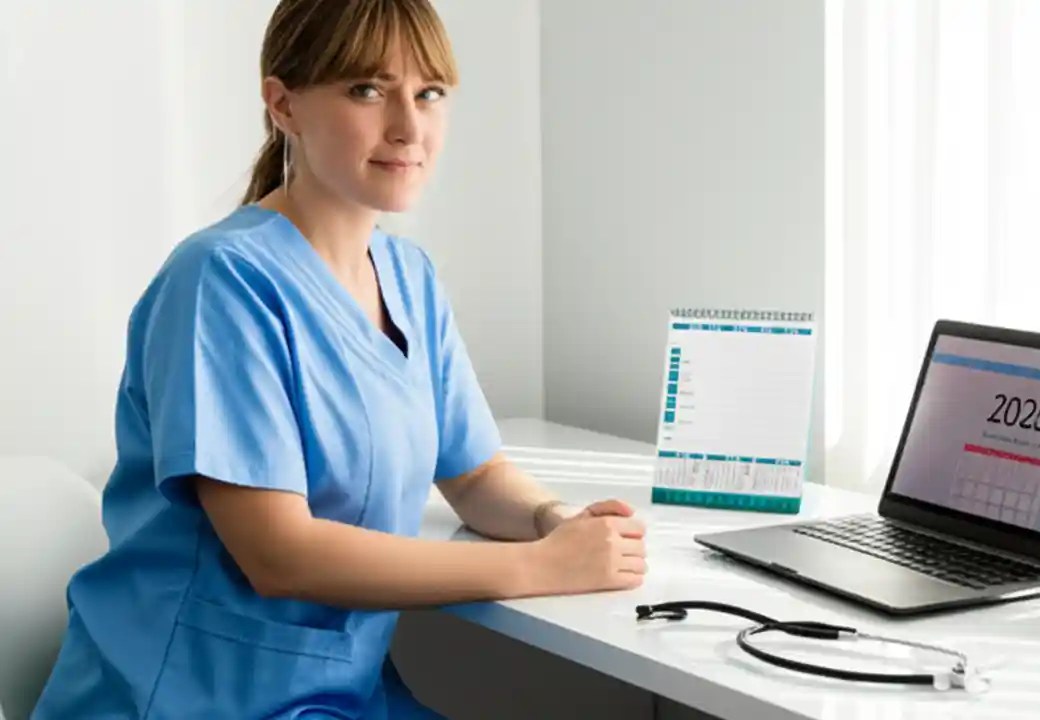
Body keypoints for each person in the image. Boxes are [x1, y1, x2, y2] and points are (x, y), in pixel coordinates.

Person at [31, 1, 647, 717]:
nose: (408, 127)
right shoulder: (223, 281)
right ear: (282, 104)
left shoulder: (408, 278)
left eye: (429, 94)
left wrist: (555, 519)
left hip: (336, 694)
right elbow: (278, 554)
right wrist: (538, 568)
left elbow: (474, 473)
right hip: (190, 697)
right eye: (366, 90)